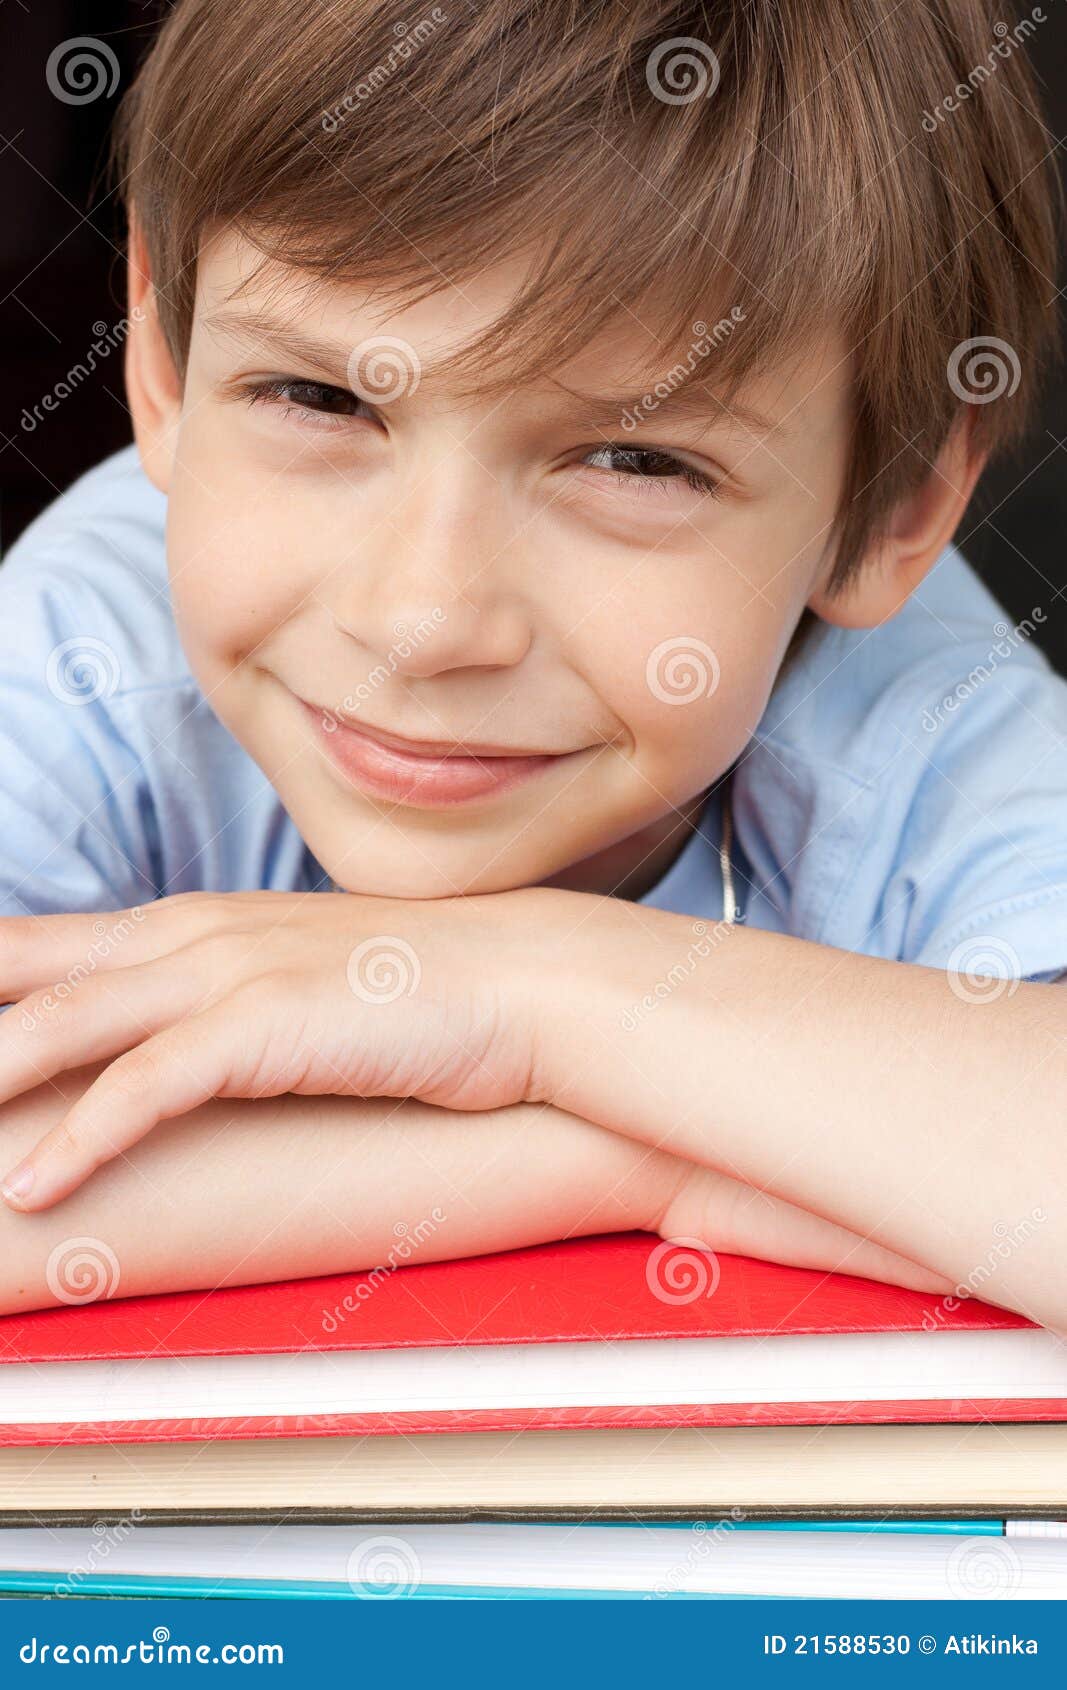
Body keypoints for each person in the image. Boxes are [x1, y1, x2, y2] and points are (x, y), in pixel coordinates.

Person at [0, 0, 1063, 1326]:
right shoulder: (90, 658)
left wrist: (532, 999)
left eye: (634, 462)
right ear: (158, 355)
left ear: (899, 500)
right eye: (321, 399)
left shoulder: (928, 739)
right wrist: (665, 1139)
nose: (423, 620)